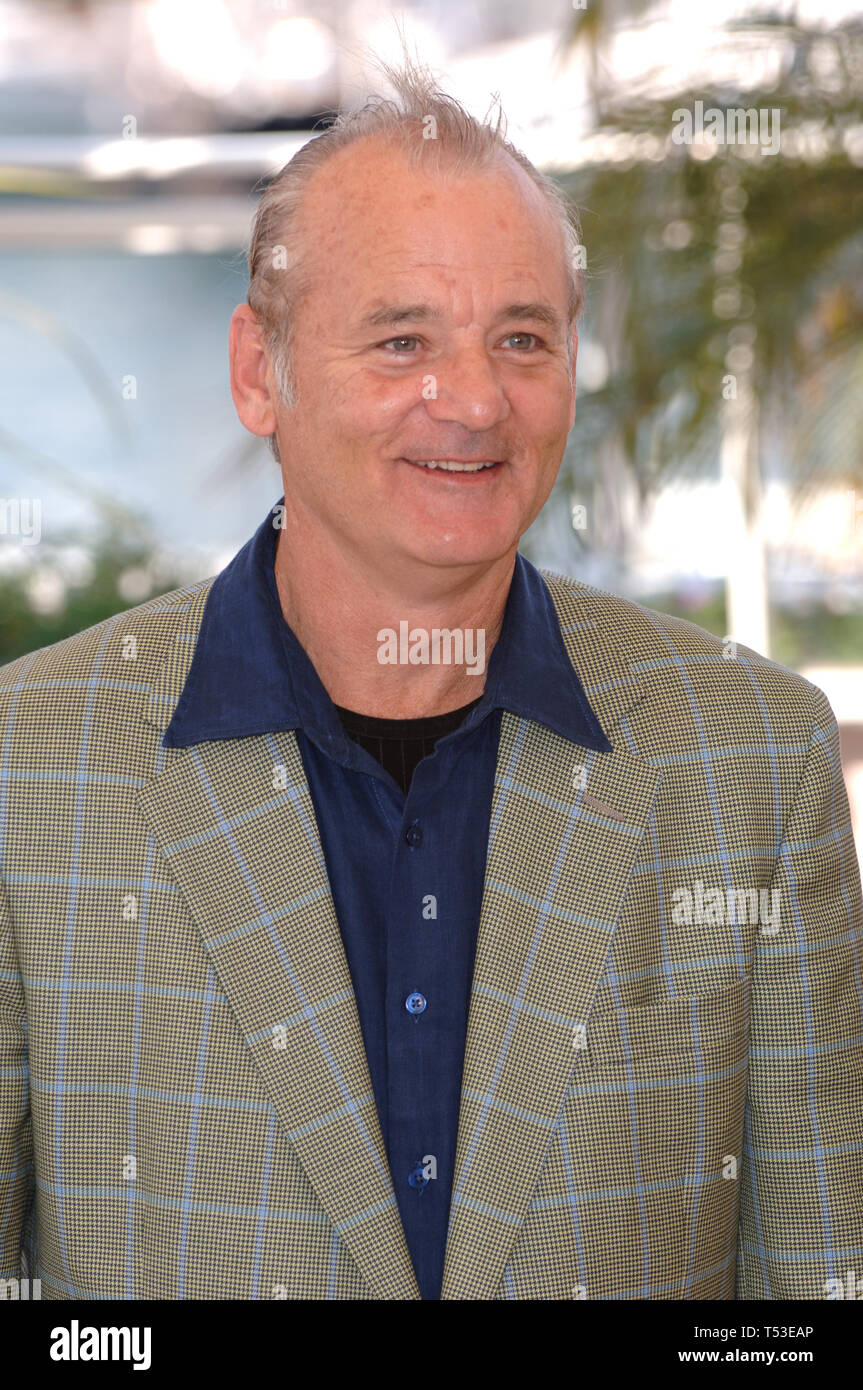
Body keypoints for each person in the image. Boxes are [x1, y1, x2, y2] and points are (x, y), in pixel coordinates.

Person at [1, 58, 860, 1302]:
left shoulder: (749, 760)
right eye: (401, 338)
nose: (470, 400)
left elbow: (818, 1290)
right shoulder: (31, 765)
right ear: (259, 374)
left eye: (522, 338)